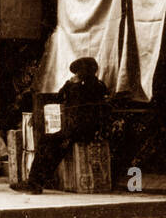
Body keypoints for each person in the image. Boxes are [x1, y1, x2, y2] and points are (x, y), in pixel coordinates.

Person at [14, 57, 109, 194]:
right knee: (47, 142)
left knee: (53, 145)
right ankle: (34, 181)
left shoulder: (96, 86)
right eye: (77, 71)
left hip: (86, 128)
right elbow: (59, 97)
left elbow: (80, 102)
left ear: (89, 71)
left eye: (80, 71)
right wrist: (68, 85)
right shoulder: (76, 85)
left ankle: (36, 182)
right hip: (74, 127)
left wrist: (72, 86)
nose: (77, 74)